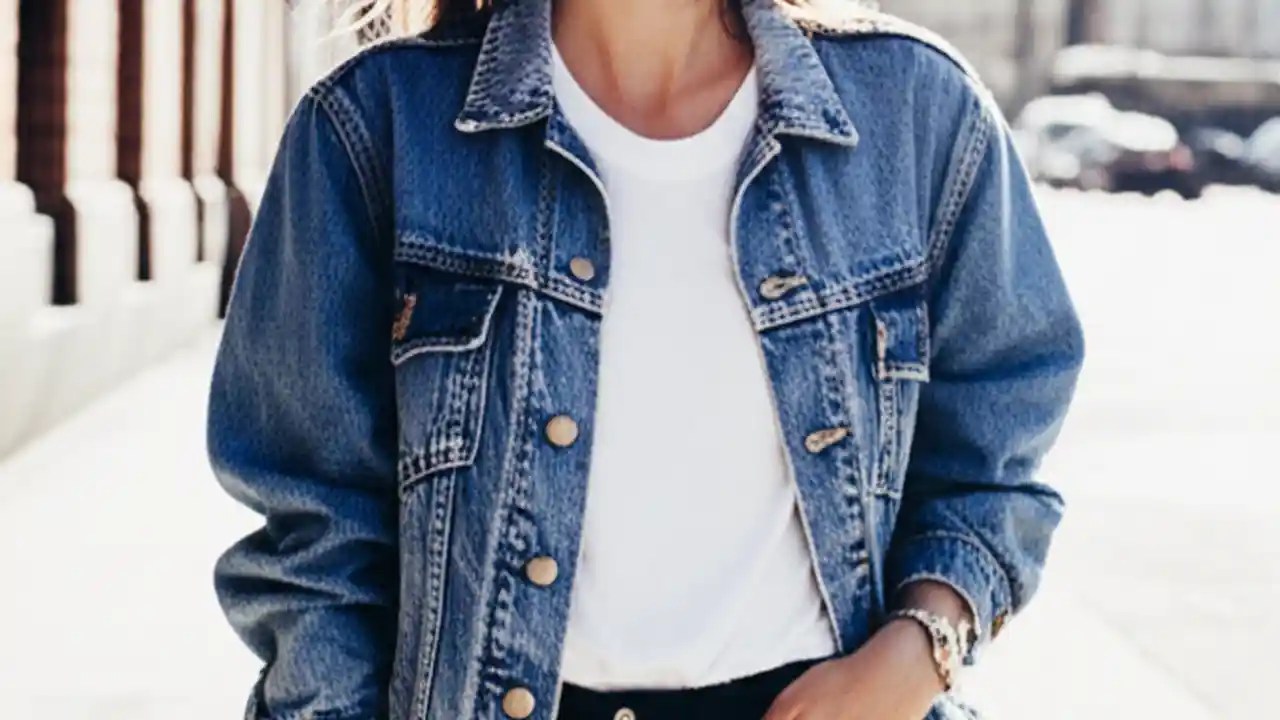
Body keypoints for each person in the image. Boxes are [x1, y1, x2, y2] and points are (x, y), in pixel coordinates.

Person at [207, 0, 1084, 718]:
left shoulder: (917, 114)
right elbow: (313, 540)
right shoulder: (374, 129)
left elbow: (997, 455)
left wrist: (915, 652)